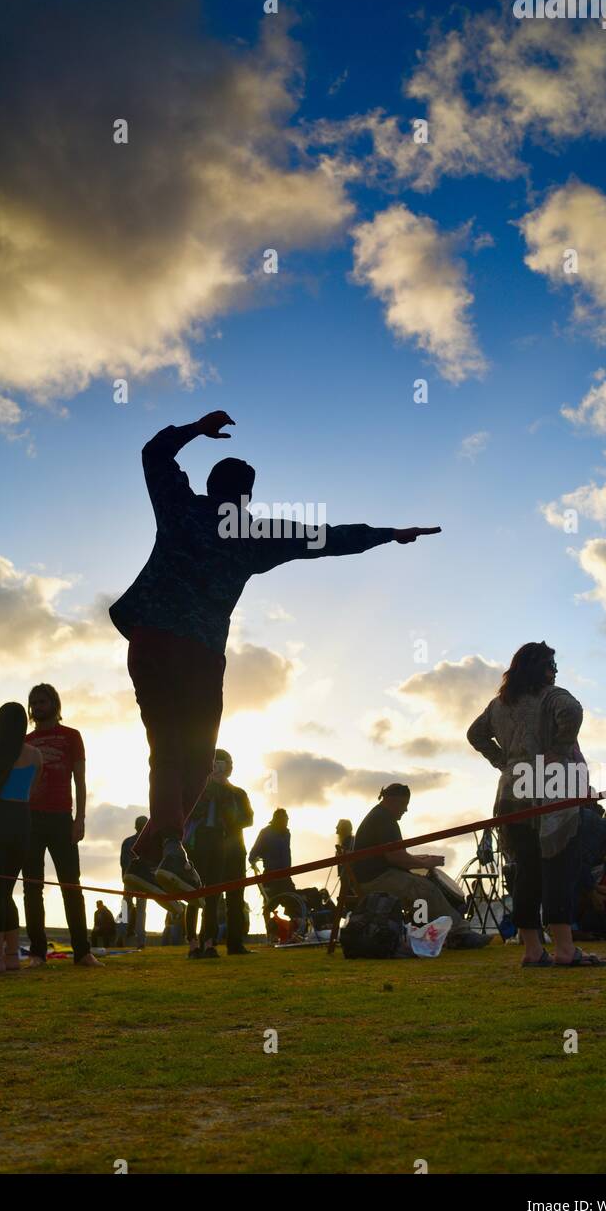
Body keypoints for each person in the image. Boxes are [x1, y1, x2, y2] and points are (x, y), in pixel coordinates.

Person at [110, 410, 441, 899]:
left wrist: (197, 430)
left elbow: (154, 453)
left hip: (148, 641)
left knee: (165, 747)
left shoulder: (180, 506)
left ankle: (144, 857)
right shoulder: (252, 534)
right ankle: (171, 850)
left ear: (209, 484)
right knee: (197, 759)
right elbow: (327, 538)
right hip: (196, 652)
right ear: (247, 499)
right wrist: (388, 534)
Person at [467, 640, 605, 968]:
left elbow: (475, 734)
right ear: (536, 669)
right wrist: (559, 749)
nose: (555, 672)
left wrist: (503, 760)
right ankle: (565, 950)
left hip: (513, 790)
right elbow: (572, 711)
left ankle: (532, 949)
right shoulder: (550, 696)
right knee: (558, 867)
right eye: (550, 666)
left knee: (527, 870)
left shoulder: (499, 705)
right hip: (550, 788)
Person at [353, 784, 491, 950]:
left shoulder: (380, 816)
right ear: (393, 800)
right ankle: (458, 934)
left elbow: (393, 854)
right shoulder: (384, 819)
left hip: (375, 875)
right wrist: (424, 863)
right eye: (404, 805)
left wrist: (420, 860)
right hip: (376, 879)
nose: (405, 810)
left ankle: (440, 933)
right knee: (426, 889)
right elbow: (395, 857)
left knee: (423, 888)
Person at [22, 684, 100, 967]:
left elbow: (80, 780)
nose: (37, 706)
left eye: (42, 701)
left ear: (54, 703)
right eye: (33, 702)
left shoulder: (71, 737)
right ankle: (37, 953)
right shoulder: (26, 739)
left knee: (71, 885)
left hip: (60, 817)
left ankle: (82, 952)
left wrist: (79, 819)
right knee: (32, 887)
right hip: (30, 819)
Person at [0, 703, 42, 975]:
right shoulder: (35, 755)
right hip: (22, 822)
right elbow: (32, 790)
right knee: (8, 891)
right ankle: (12, 956)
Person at [186, 748, 254, 959]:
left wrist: (225, 794)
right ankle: (196, 943)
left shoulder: (237, 793)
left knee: (230, 897)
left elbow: (246, 819)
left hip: (231, 848)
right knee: (197, 894)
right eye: (215, 765)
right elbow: (191, 813)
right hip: (203, 845)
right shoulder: (199, 790)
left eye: (223, 766)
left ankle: (228, 943)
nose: (218, 770)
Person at [250, 809, 296, 945]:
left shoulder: (287, 833)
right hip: (270, 875)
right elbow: (253, 854)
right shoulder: (266, 833)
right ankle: (271, 935)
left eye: (287, 819)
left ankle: (293, 933)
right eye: (283, 819)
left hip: (286, 876)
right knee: (269, 906)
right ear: (276, 819)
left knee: (293, 904)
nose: (286, 822)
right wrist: (257, 859)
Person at [120, 816, 150, 948]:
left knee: (125, 909)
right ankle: (141, 941)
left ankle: (120, 936)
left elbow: (123, 863)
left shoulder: (127, 842)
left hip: (128, 879)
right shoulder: (149, 843)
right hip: (142, 881)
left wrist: (125, 878)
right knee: (141, 910)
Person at [335, 818, 357, 904]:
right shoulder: (350, 841)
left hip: (350, 879)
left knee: (347, 901)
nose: (336, 829)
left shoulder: (349, 842)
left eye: (337, 828)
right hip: (348, 878)